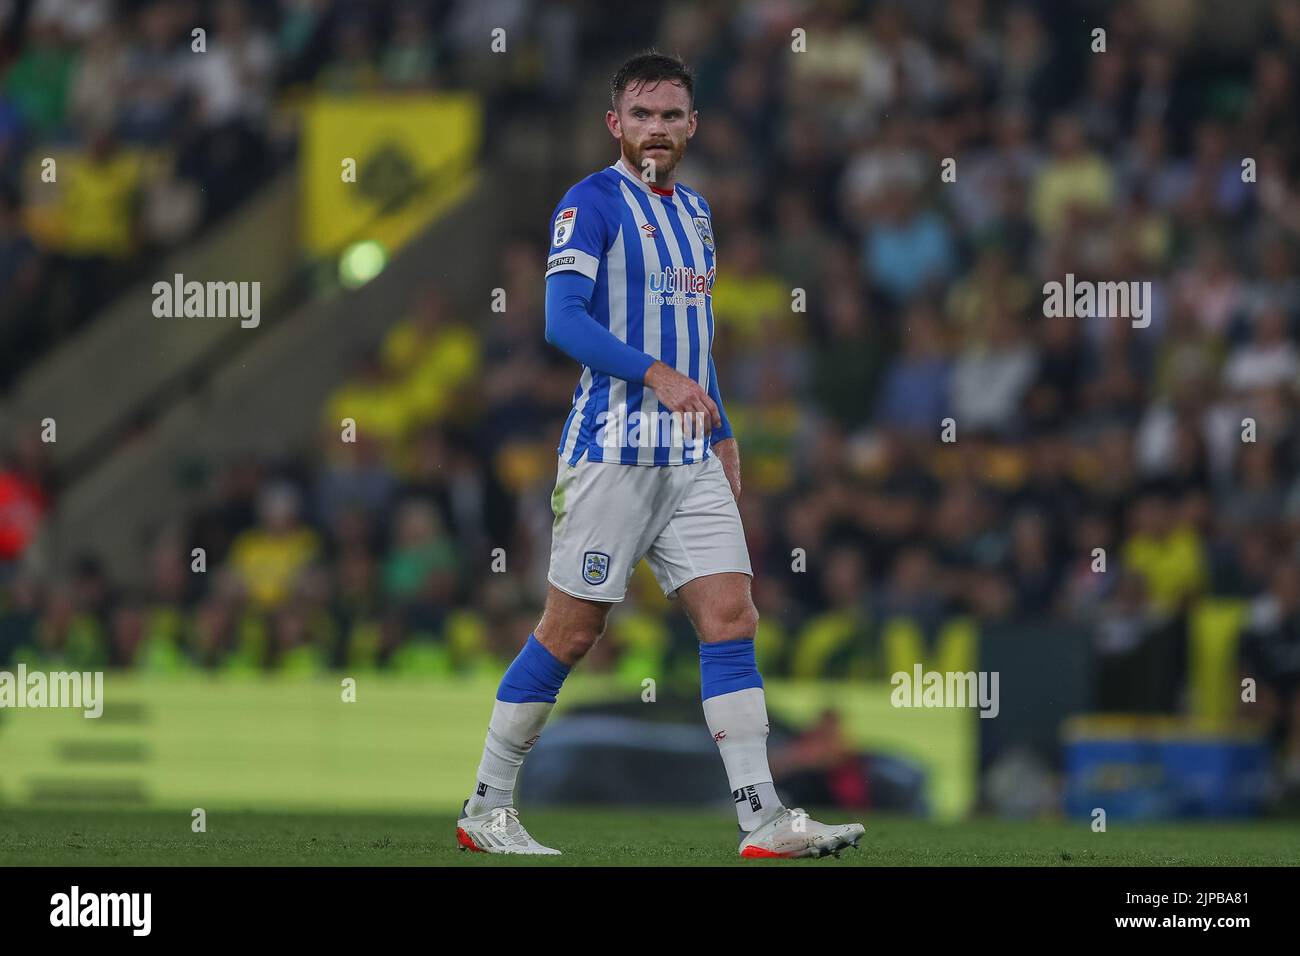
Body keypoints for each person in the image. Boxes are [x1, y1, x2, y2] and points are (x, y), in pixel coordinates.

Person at [456, 52, 863, 858]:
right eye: (641, 115)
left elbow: (697, 340)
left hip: (690, 454)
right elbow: (562, 322)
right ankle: (486, 807)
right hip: (612, 449)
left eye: (671, 116)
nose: (657, 130)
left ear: (692, 127)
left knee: (732, 617)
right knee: (571, 633)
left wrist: (722, 431)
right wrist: (657, 375)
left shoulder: (699, 216)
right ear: (616, 124)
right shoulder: (589, 204)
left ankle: (762, 818)